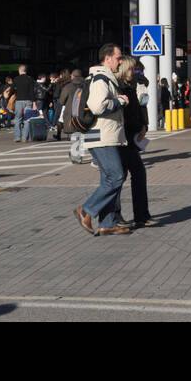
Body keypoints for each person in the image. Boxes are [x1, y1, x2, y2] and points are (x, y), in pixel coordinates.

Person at [73, 43, 133, 237]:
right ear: (107, 59)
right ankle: (86, 210)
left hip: (105, 135)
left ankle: (107, 223)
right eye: (117, 58)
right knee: (116, 176)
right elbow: (98, 106)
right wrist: (120, 101)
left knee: (109, 178)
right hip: (101, 137)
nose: (120, 61)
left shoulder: (104, 77)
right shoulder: (100, 78)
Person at [115, 56, 156, 227]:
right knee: (120, 177)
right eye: (131, 69)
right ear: (124, 69)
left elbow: (141, 106)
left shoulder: (133, 86)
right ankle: (116, 216)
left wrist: (144, 125)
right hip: (121, 138)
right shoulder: (119, 86)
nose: (134, 72)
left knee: (128, 175)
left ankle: (140, 216)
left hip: (132, 136)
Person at [10, 64, 36, 143]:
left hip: (19, 101)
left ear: (20, 70)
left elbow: (12, 90)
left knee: (18, 119)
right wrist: (34, 102)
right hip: (28, 101)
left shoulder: (16, 79)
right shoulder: (30, 79)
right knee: (27, 120)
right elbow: (32, 92)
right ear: (25, 70)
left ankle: (17, 137)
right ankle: (24, 138)